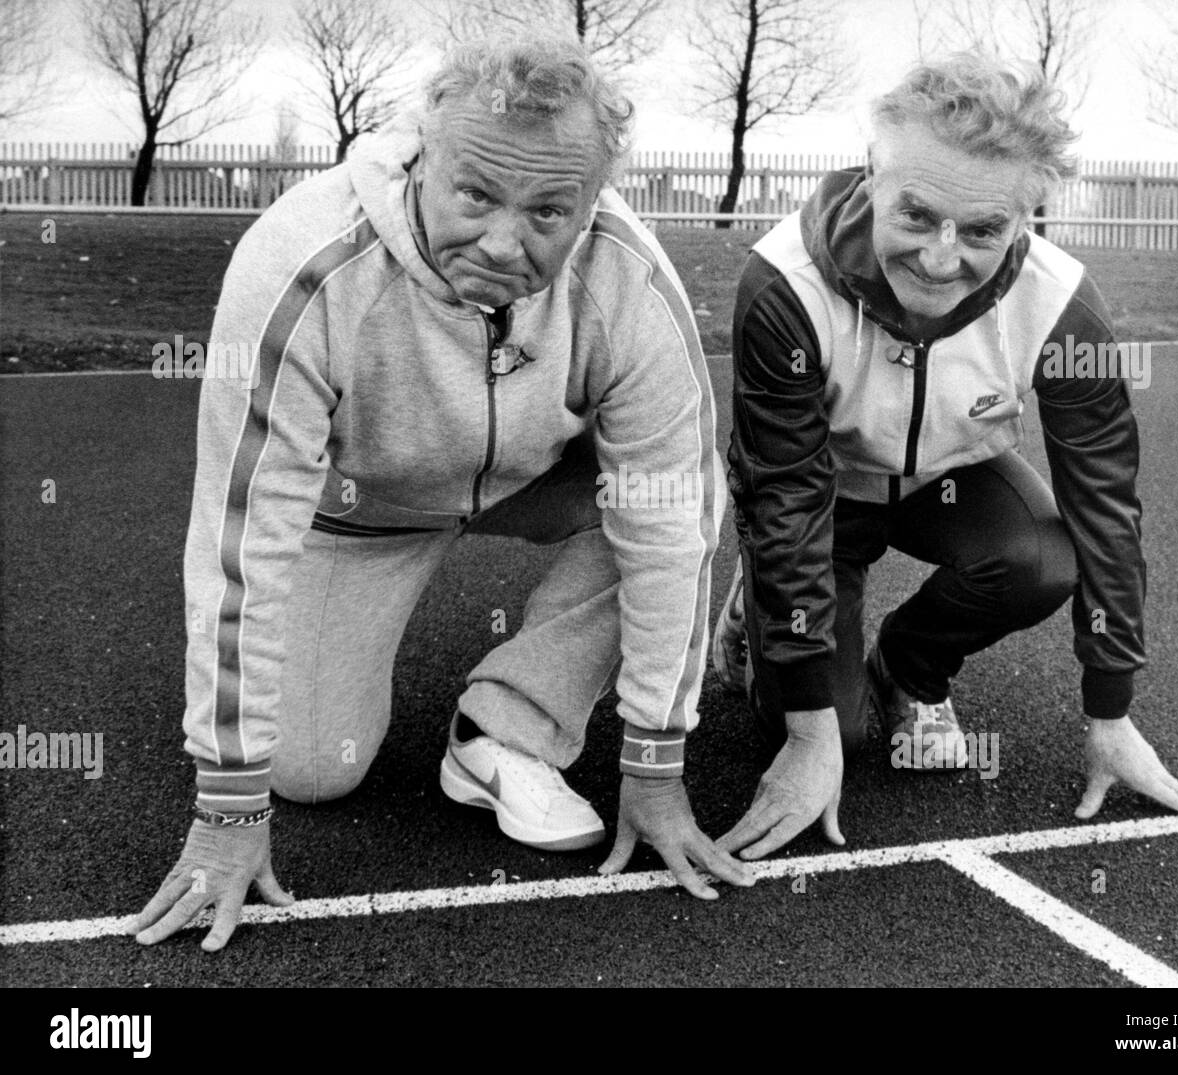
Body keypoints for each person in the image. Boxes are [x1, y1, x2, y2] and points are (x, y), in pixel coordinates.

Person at [133, 37, 753, 952]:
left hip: (539, 481)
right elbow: (242, 539)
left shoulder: (629, 278)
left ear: (595, 198)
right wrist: (227, 806)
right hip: (356, 512)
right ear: (423, 153)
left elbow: (668, 524)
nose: (506, 242)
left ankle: (505, 729)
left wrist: (656, 764)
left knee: (693, 495)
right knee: (311, 771)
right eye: (475, 195)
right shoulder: (300, 264)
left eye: (551, 209)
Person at [712, 54, 1178, 860]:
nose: (943, 260)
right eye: (915, 217)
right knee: (833, 733)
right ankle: (759, 609)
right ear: (872, 177)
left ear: (1027, 217)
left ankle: (910, 668)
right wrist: (806, 727)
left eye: (982, 231)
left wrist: (1109, 713)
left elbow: (1105, 506)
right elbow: (786, 499)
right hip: (822, 498)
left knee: (1044, 559)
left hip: (951, 479)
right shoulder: (783, 285)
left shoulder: (1063, 306)